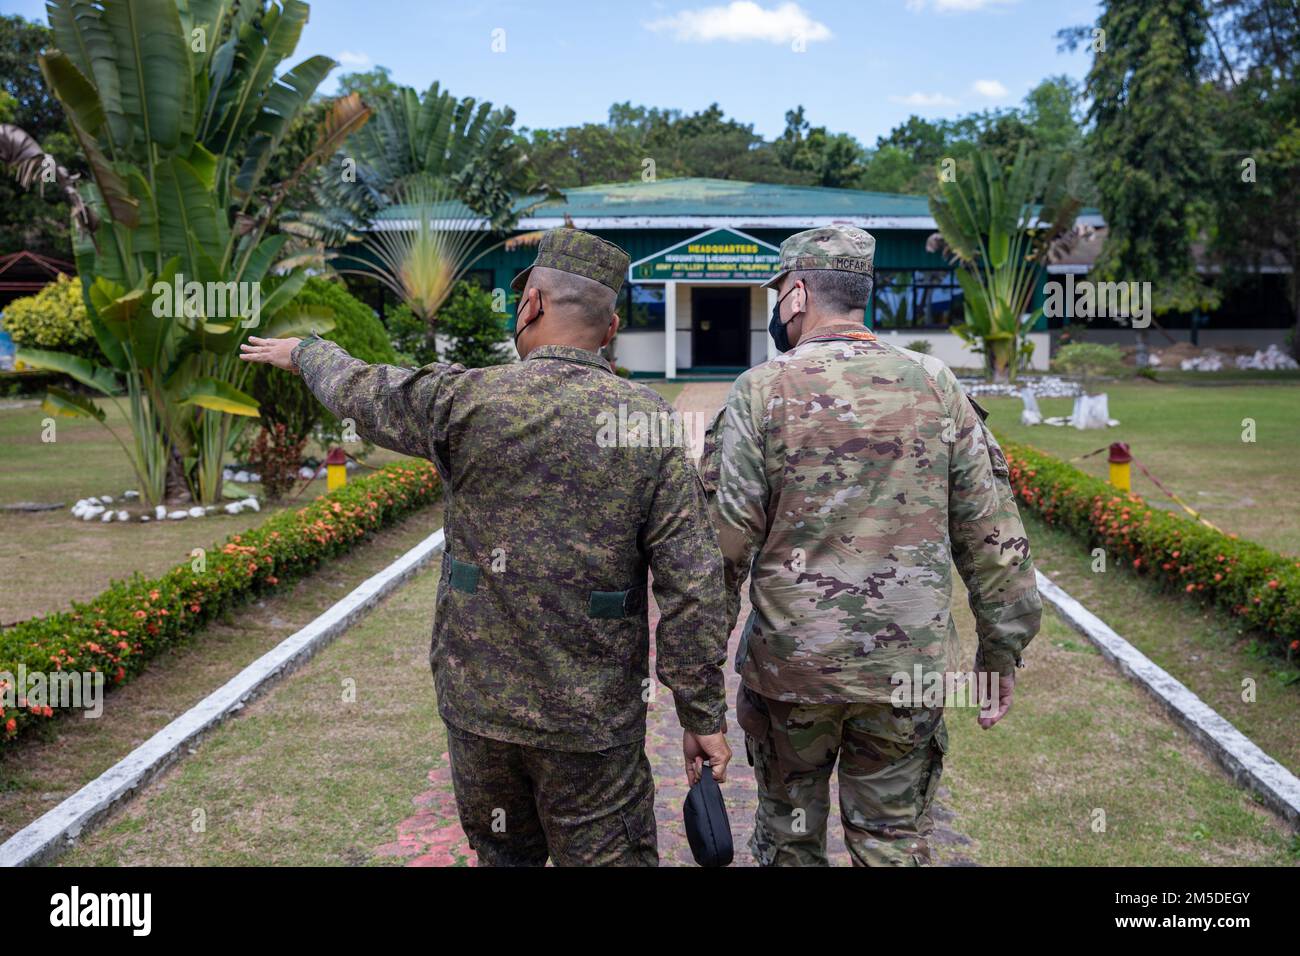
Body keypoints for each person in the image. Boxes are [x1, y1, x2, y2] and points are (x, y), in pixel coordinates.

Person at [241, 227, 732, 866]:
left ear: (530, 306)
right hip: (592, 723)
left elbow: (363, 388)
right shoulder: (647, 423)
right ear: (609, 331)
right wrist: (701, 715)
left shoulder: (464, 399)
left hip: (480, 715)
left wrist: (308, 352)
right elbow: (691, 585)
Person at [699, 225, 1041, 866]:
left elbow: (719, 554)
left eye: (778, 296)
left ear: (796, 295)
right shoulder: (937, 385)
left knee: (789, 841)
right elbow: (994, 538)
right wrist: (1001, 652)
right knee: (891, 842)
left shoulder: (759, 392)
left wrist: (698, 690)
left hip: (791, 674)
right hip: (905, 673)